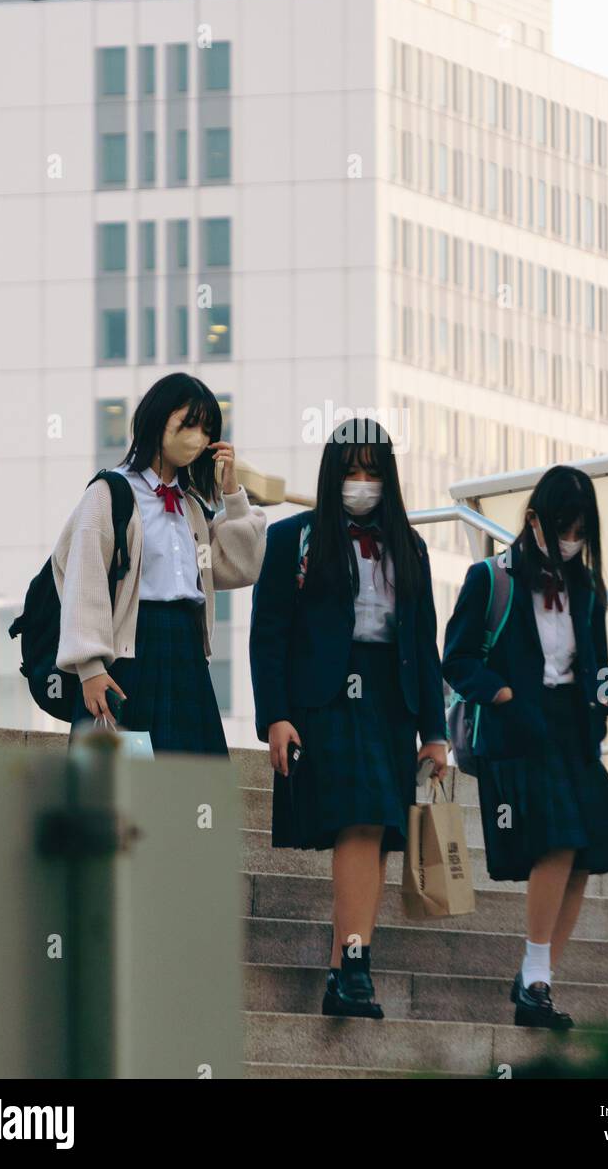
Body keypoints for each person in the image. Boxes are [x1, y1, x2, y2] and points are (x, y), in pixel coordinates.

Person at [249, 420, 448, 1019]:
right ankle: (355, 964)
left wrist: (435, 731)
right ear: (333, 475)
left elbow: (425, 639)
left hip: (392, 698)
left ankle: (345, 970)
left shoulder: (409, 545)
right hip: (325, 698)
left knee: (379, 829)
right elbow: (268, 633)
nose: (362, 483)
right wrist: (275, 717)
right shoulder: (294, 538)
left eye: (373, 471)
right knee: (360, 818)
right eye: (351, 471)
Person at [442, 465, 608, 1029]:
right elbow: (455, 657)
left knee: (586, 856)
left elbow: (595, 659)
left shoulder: (588, 587)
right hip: (520, 728)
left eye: (580, 529)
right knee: (558, 844)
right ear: (533, 521)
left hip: (574, 731)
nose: (572, 539)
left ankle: (535, 978)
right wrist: (498, 692)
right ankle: (535, 979)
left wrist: (605, 701)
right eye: (563, 526)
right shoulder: (492, 577)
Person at [53, 372, 266, 755]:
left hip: (187, 654)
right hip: (132, 656)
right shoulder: (110, 493)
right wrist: (91, 668)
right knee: (124, 797)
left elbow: (242, 566)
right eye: (188, 424)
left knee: (192, 792)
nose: (197, 437)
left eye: (206, 429)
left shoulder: (192, 506)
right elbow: (83, 578)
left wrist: (232, 492)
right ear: (157, 419)